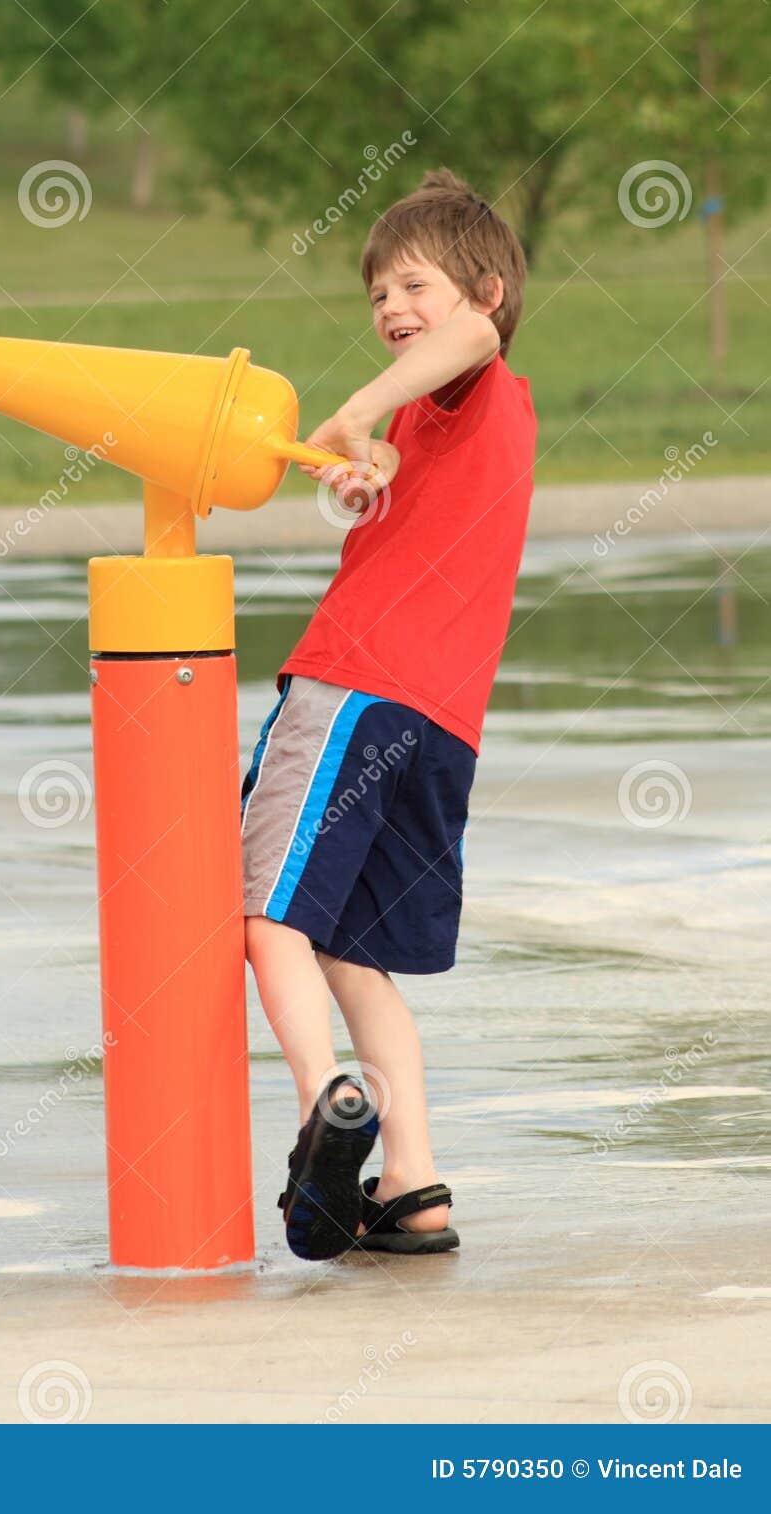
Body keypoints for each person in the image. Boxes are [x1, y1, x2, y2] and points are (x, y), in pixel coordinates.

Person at [241, 169, 535, 1259]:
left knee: (267, 915)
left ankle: (325, 1105)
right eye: (374, 294)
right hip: (441, 721)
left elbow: (467, 345)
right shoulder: (439, 419)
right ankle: (412, 1186)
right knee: (356, 955)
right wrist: (365, 473)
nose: (389, 308)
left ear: (486, 289)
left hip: (357, 687)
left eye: (410, 283)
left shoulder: (471, 377)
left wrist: (363, 404)